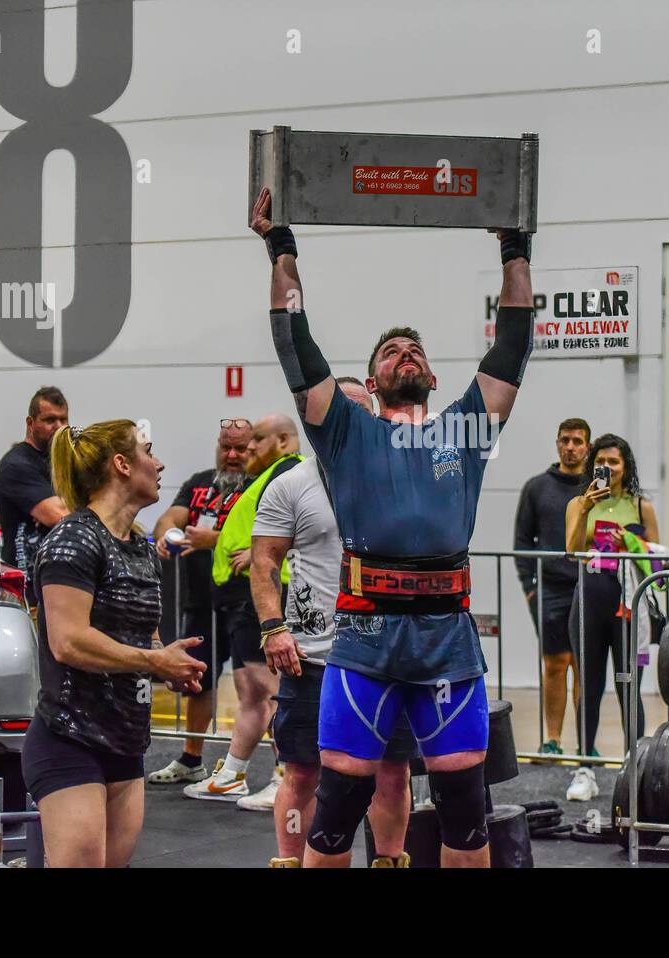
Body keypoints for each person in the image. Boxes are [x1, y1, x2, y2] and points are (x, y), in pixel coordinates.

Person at [251, 185, 533, 868]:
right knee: (334, 815)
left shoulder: (464, 430)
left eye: (414, 348)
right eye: (390, 352)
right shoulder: (344, 432)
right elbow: (295, 341)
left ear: (433, 375)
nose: (404, 352)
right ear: (371, 383)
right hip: (366, 642)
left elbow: (515, 346)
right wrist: (280, 247)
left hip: (446, 642)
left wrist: (514, 250)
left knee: (467, 815)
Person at [23, 420, 206, 867]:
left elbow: (144, 635)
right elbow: (68, 642)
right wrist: (153, 661)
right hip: (70, 738)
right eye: (150, 451)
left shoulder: (141, 547)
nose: (160, 463)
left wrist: (170, 660)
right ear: (122, 465)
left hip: (126, 741)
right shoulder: (73, 540)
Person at [251, 376, 417, 867]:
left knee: (392, 771)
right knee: (303, 773)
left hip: (389, 655)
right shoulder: (291, 485)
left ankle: (388, 860)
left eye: (359, 411)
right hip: (313, 657)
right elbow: (263, 564)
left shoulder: (402, 476)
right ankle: (290, 862)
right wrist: (273, 628)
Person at [183, 414, 303, 806]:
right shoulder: (272, 476)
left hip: (267, 594)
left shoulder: (295, 475)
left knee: (270, 692)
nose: (248, 449)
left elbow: (312, 527)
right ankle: (233, 774)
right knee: (251, 691)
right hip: (243, 597)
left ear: (284, 441)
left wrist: (261, 551)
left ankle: (287, 777)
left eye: (258, 440)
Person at [146, 418, 253, 784]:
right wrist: (168, 535)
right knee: (197, 679)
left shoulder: (263, 485)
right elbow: (170, 517)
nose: (233, 455)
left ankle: (240, 765)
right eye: (227, 447)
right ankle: (192, 760)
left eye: (241, 448)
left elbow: (266, 537)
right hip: (199, 600)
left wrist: (215, 540)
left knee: (251, 684)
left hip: (245, 600)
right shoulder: (199, 483)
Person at [563, 434, 657, 801]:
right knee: (588, 685)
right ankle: (585, 767)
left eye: (615, 462)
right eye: (601, 461)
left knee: (628, 682)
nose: (608, 468)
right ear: (591, 465)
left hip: (629, 605)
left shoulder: (640, 505)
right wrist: (586, 508)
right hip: (589, 601)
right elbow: (570, 551)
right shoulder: (577, 503)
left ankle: (636, 764)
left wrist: (629, 544)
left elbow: (655, 557)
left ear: (626, 467)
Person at [514, 418, 591, 759]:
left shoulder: (595, 489)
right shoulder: (536, 488)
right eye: (565, 440)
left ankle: (586, 745)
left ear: (588, 447)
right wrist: (531, 589)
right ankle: (553, 740)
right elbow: (521, 541)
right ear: (557, 443)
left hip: (590, 588)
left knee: (585, 666)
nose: (571, 447)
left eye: (577, 441)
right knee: (556, 663)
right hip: (549, 591)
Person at [0, 387, 70, 599]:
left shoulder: (60, 463)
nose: (59, 427)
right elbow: (60, 516)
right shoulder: (17, 464)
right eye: (50, 420)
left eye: (64, 419)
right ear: (31, 423)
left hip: (57, 588)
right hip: (27, 593)